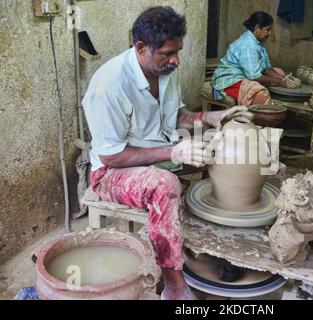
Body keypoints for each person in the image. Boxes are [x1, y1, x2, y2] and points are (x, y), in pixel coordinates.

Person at [82, 6, 253, 300]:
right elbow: (111, 156)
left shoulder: (165, 70)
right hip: (111, 173)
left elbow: (176, 115)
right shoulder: (109, 85)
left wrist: (208, 118)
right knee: (165, 187)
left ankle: (210, 243)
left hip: (157, 149)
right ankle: (174, 283)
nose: (176, 60)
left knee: (217, 150)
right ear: (141, 47)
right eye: (168, 53)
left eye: (178, 51)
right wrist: (174, 152)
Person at [211, 11, 292, 106]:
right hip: (230, 79)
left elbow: (267, 68)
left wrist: (282, 78)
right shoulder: (248, 45)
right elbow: (254, 76)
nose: (270, 33)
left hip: (245, 74)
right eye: (268, 29)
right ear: (257, 28)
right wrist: (279, 82)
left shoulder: (258, 41)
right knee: (261, 95)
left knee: (280, 72)